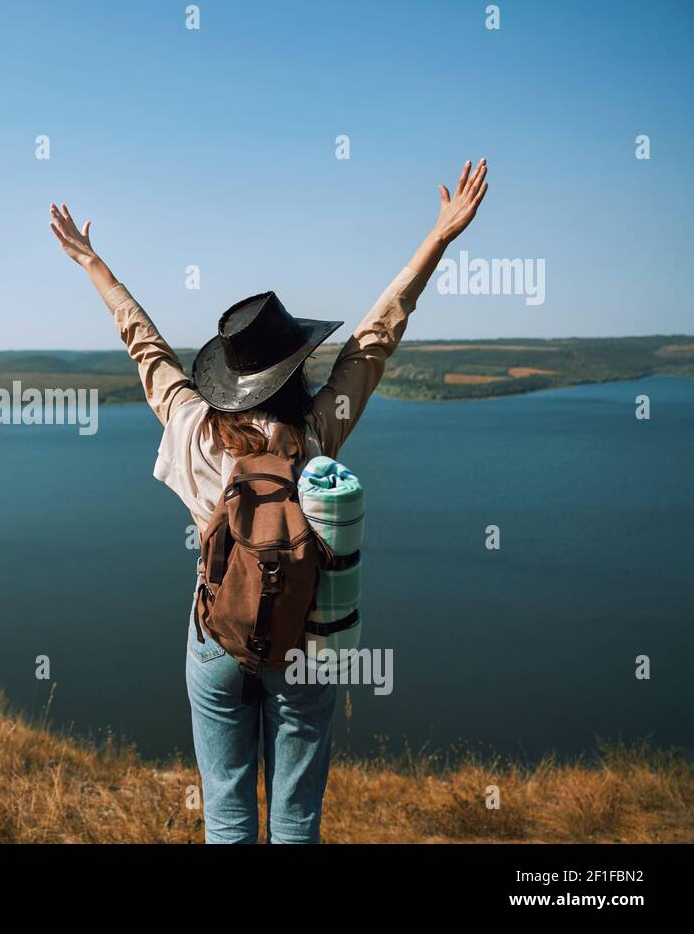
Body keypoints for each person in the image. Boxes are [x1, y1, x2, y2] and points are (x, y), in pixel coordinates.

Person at [48, 159, 489, 843]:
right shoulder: (314, 432)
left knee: (227, 818)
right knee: (296, 820)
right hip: (306, 645)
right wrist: (438, 238)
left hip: (218, 641)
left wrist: (92, 262)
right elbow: (375, 340)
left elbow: (146, 347)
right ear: (296, 368)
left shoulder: (192, 426)